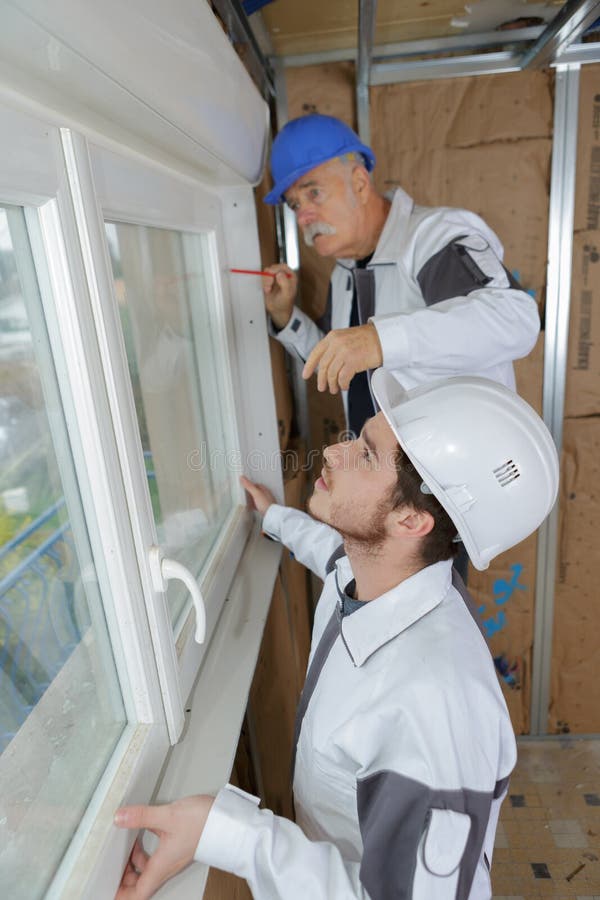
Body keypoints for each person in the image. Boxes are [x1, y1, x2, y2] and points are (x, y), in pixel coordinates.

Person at [114, 370, 559, 900]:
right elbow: (329, 554)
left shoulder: (434, 704)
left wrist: (224, 833)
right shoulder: (380, 575)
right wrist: (273, 517)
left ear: (411, 521)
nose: (332, 454)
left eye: (365, 455)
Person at [261, 113, 540, 438]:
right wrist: (285, 316)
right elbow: (338, 362)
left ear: (360, 184)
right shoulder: (344, 273)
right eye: (294, 204)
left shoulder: (432, 238)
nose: (304, 215)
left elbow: (514, 321)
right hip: (387, 478)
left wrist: (381, 340)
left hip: (458, 471)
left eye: (314, 193)